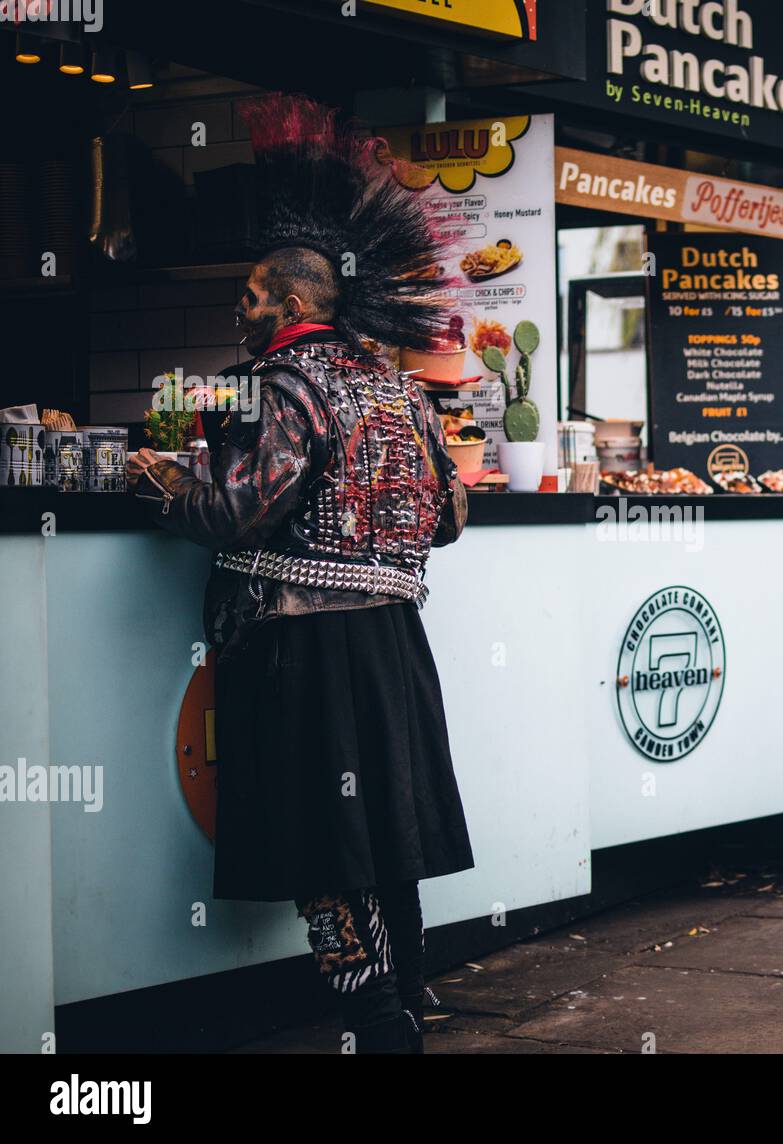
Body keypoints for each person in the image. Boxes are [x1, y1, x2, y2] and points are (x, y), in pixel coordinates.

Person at [126, 95, 472, 1054]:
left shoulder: (289, 386)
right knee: (384, 831)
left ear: (290, 304)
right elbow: (447, 518)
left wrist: (163, 482)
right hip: (393, 638)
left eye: (249, 298)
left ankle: (371, 1018)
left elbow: (239, 507)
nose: (241, 311)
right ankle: (410, 994)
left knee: (324, 838)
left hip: (300, 642)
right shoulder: (398, 388)